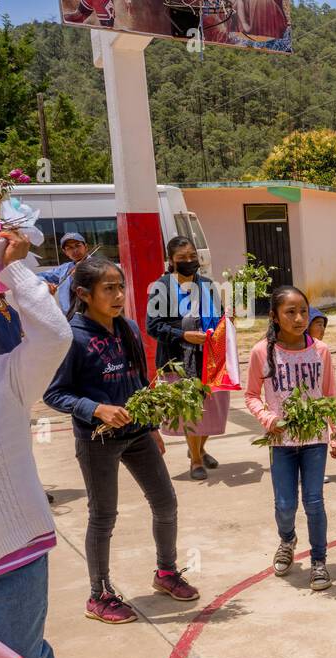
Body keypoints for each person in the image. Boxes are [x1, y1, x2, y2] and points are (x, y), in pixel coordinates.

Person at [44, 256, 200, 625]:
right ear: (84, 293)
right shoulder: (71, 336)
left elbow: (137, 383)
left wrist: (151, 427)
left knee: (165, 502)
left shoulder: (128, 327)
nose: (118, 295)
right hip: (98, 441)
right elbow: (55, 394)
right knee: (103, 517)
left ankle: (166, 572)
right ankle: (98, 594)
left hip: (137, 434)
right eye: (108, 289)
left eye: (120, 287)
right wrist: (97, 409)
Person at [0, 228, 83, 658]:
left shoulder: (8, 376)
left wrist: (9, 268)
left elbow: (53, 334)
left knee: (20, 650)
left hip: (15, 541)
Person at [245, 286, 336, 592]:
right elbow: (250, 396)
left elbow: (331, 395)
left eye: (304, 310)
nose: (300, 318)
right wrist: (268, 418)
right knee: (285, 504)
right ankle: (287, 540)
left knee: (314, 501)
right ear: (274, 316)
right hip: (281, 443)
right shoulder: (263, 352)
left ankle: (319, 561)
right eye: (291, 312)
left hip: (314, 440)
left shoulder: (321, 350)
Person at [146, 236, 231, 481]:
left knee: (212, 410)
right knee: (190, 411)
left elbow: (220, 315)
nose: (189, 261)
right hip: (178, 361)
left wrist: (225, 326)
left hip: (209, 359)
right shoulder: (161, 288)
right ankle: (195, 460)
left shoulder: (208, 285)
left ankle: (200, 448)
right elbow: (153, 326)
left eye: (192, 256)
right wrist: (183, 334)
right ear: (170, 261)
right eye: (182, 258)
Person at [39, 232, 89, 315]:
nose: (75, 250)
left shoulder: (98, 264)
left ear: (86, 247)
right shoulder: (64, 268)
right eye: (69, 248)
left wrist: (82, 274)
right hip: (69, 316)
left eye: (78, 245)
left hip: (90, 316)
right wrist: (46, 284)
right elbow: (38, 276)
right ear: (65, 252)